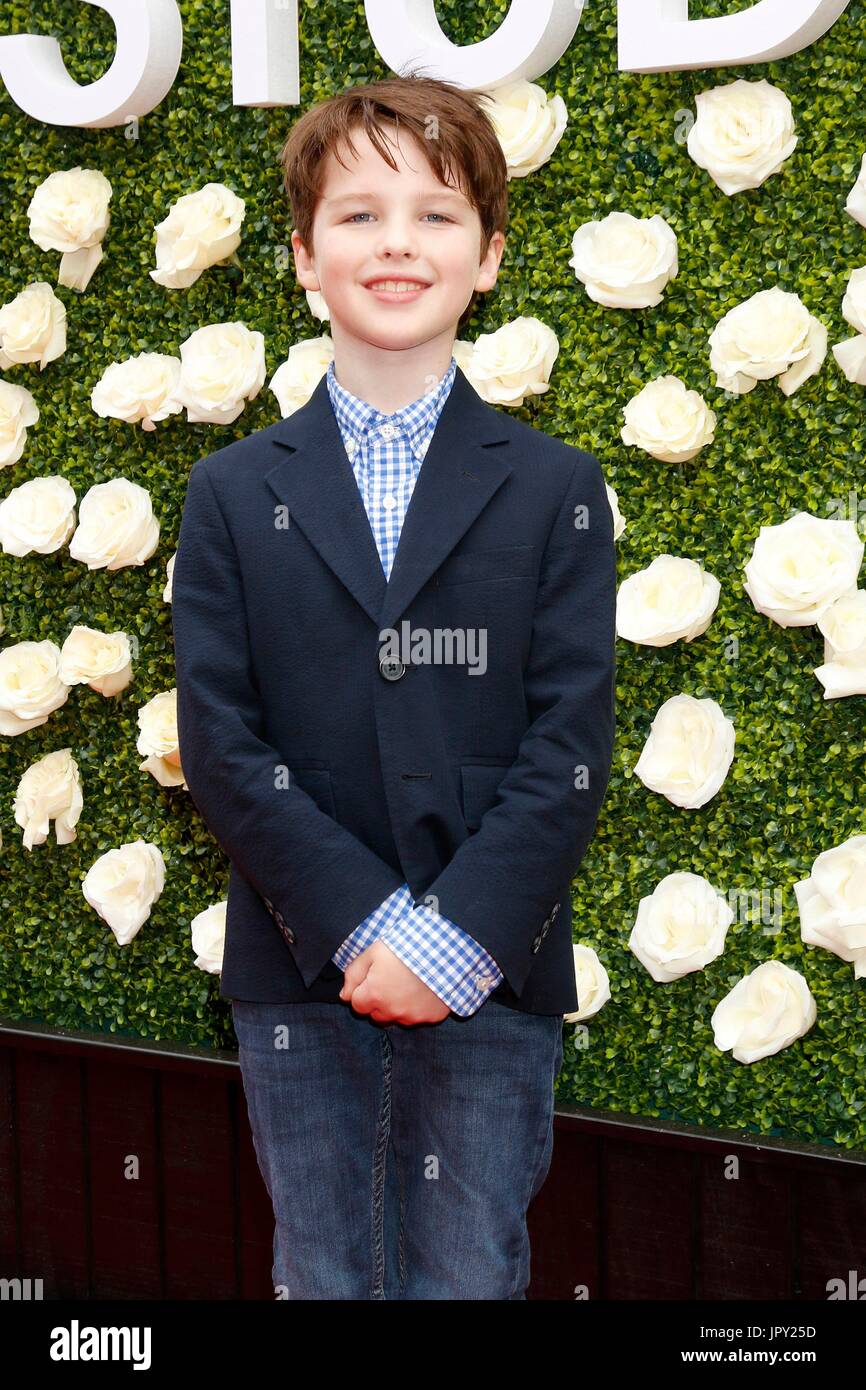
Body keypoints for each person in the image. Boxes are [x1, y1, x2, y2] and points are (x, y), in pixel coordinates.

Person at [171, 71, 617, 1300]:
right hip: (299, 961)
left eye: (436, 212)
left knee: (469, 1270)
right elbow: (219, 739)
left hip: (493, 966)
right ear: (305, 257)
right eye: (358, 215)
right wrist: (368, 925)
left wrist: (454, 934)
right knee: (318, 1269)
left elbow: (567, 739)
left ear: (486, 258)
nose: (397, 244)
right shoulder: (227, 490)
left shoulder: (553, 485)